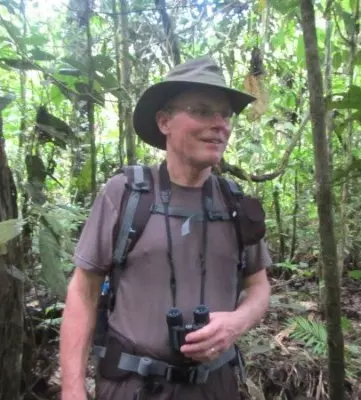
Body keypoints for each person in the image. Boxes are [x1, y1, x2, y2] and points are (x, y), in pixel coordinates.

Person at [60, 56, 272, 400]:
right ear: (164, 121)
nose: (220, 125)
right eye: (203, 111)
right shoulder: (126, 193)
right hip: (132, 385)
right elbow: (83, 292)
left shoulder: (236, 204)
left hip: (216, 386)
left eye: (226, 115)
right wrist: (72, 388)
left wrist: (237, 323)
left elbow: (259, 288)